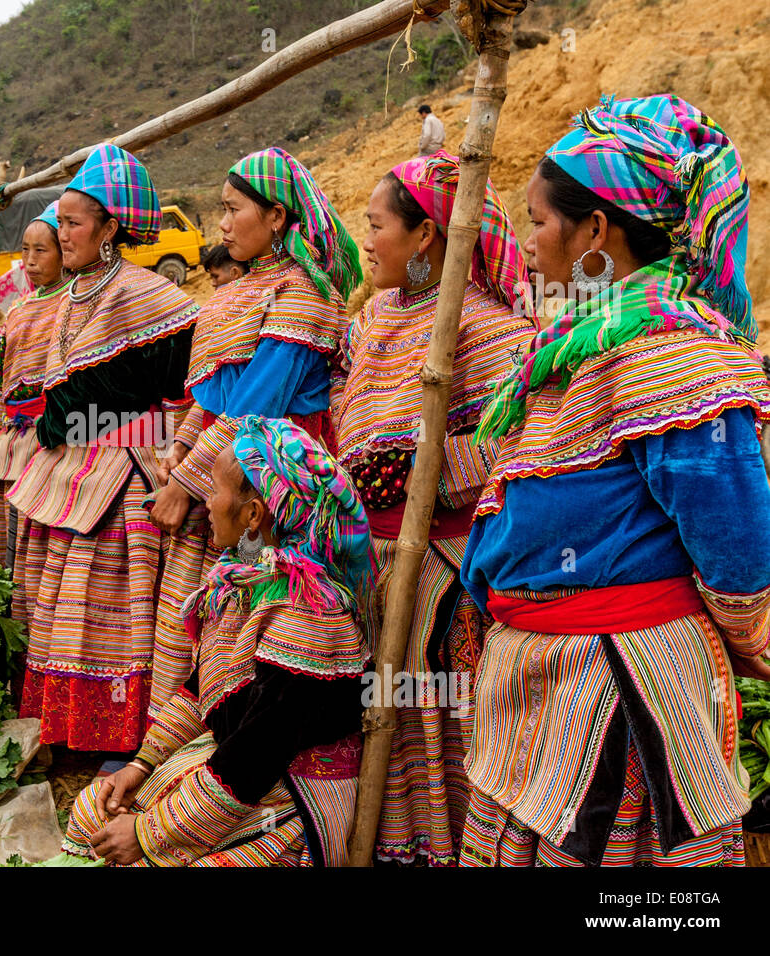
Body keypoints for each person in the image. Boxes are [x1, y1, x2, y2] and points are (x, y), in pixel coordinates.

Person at [461, 95, 770, 867]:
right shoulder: (574, 345)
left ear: (595, 231)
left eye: (536, 221)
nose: (524, 245)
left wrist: (751, 646)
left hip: (622, 685)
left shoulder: (673, 351)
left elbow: (737, 547)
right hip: (546, 674)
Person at [330, 150, 535, 865]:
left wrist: (416, 474)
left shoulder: (489, 329)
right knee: (381, 722)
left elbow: (513, 452)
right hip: (370, 566)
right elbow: (344, 425)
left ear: (425, 238)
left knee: (438, 718)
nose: (365, 242)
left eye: (377, 226)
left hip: (446, 574)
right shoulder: (369, 320)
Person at [63, 416, 375, 865]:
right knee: (94, 814)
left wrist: (151, 834)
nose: (206, 503)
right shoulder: (244, 579)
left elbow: (259, 750)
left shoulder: (309, 613)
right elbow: (202, 687)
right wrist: (139, 765)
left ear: (253, 514)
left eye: (214, 491)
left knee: (136, 855)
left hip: (288, 794)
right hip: (234, 765)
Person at [147, 147, 363, 716]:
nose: (221, 225)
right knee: (203, 603)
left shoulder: (303, 294)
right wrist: (181, 448)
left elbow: (254, 408)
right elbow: (213, 393)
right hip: (221, 469)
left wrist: (185, 484)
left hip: (272, 482)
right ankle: (180, 739)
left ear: (276, 217)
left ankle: (244, 744)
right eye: (220, 209)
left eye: (232, 209)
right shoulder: (238, 291)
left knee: (261, 602)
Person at [6, 144, 197, 752]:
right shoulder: (69, 295)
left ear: (111, 228)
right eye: (58, 222)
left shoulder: (153, 297)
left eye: (74, 223)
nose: (63, 235)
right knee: (59, 599)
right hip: (69, 468)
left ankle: (118, 735)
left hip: (126, 474)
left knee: (107, 604)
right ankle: (63, 727)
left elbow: (180, 389)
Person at [0, 201, 69, 574]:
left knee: (37, 530)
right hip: (12, 439)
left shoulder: (73, 304)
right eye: (24, 250)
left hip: (50, 438)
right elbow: (1, 380)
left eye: (40, 250)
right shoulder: (18, 309)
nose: (28, 260)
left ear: (64, 252)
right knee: (8, 527)